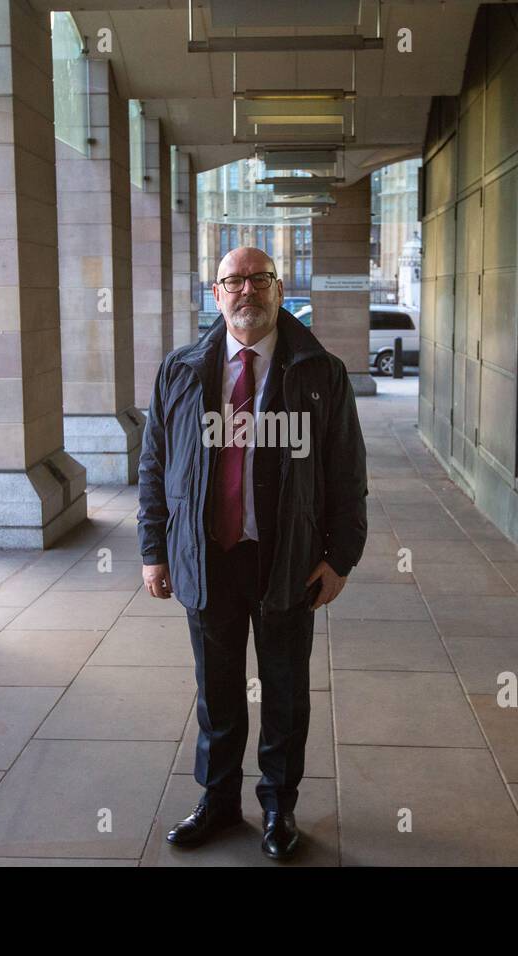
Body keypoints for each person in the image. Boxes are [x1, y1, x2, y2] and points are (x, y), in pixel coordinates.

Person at [138, 247, 368, 861]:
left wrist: (341, 556)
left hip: (286, 559)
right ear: (216, 294)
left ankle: (278, 807)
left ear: (278, 288)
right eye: (233, 281)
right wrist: (154, 548)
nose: (247, 291)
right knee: (217, 691)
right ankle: (216, 802)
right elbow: (155, 466)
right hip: (208, 557)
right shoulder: (181, 370)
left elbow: (348, 472)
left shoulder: (320, 372)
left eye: (259, 280)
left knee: (285, 689)